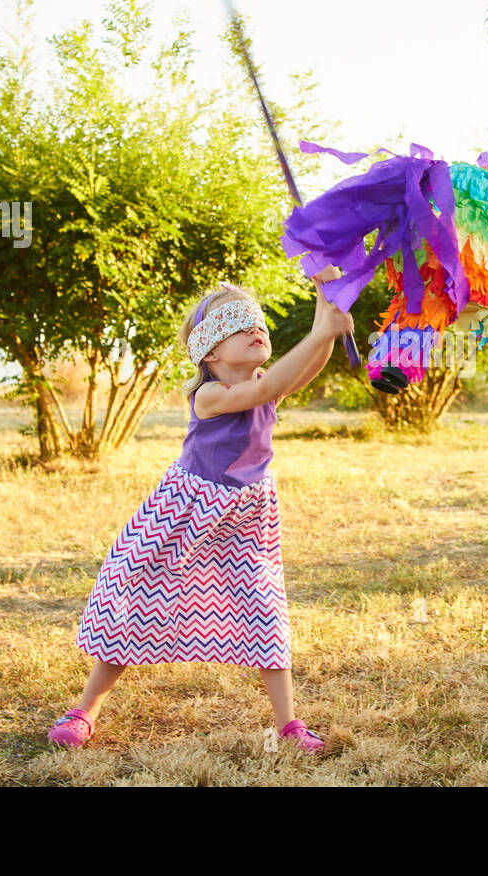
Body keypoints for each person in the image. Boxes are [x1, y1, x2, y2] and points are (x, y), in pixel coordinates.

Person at [47, 268, 353, 752]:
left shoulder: (262, 380)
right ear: (209, 351)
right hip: (187, 513)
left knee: (264, 608)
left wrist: (326, 299)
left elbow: (306, 365)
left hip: (247, 514)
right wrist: (322, 328)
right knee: (139, 605)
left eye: (258, 325)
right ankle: (86, 708)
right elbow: (270, 386)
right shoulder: (209, 394)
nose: (256, 331)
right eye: (238, 326)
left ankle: (289, 724)